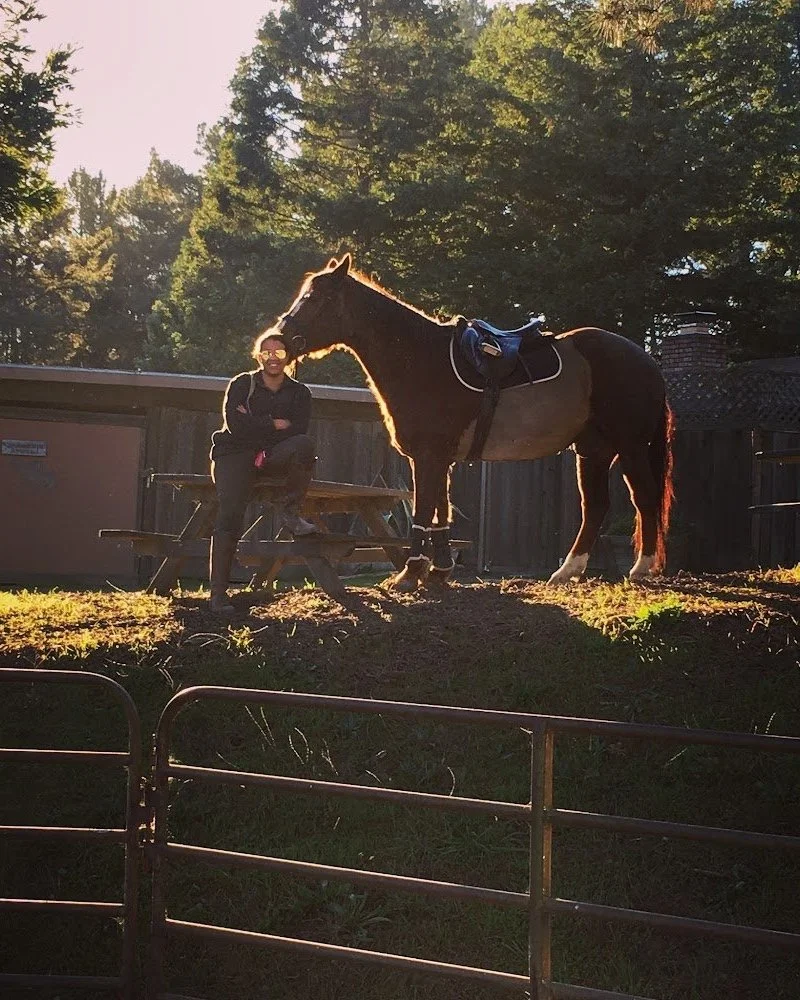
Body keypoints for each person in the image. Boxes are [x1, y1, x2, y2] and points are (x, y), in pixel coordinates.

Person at [208, 330, 317, 614]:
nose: (273, 358)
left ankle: (290, 511)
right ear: (258, 356)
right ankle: (218, 595)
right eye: (266, 352)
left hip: (272, 455)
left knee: (304, 446)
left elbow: (298, 430)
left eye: (278, 352)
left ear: (288, 357)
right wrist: (272, 424)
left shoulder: (300, 393)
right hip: (234, 454)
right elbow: (234, 426)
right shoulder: (242, 384)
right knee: (230, 515)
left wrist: (254, 421)